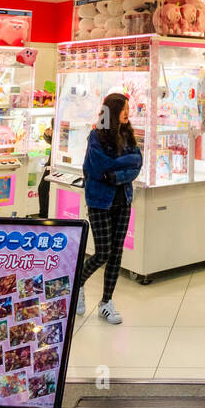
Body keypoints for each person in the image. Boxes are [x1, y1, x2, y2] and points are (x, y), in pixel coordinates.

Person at [77, 94, 143, 323]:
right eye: (125, 109)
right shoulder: (96, 136)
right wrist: (118, 169)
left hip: (123, 200)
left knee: (116, 253)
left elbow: (137, 164)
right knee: (103, 252)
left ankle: (106, 301)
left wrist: (114, 174)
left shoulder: (129, 135)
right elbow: (97, 167)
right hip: (99, 201)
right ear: (114, 111)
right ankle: (78, 284)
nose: (128, 113)